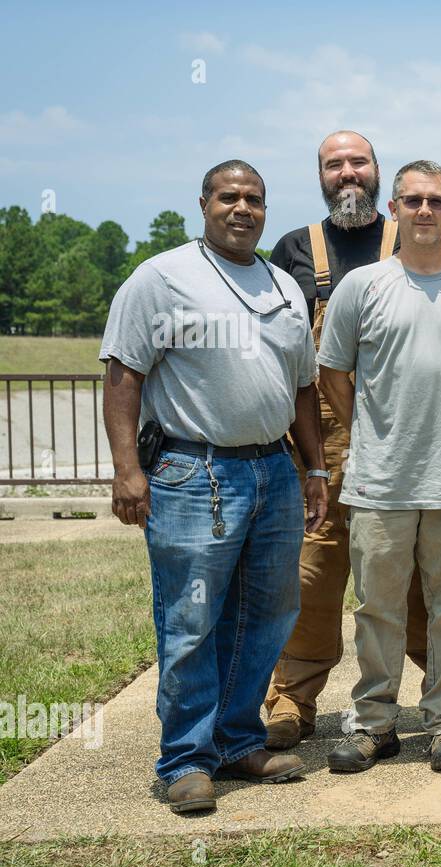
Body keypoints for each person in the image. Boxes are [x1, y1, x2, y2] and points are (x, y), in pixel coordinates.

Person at [101, 159, 327, 814]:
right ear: (203, 203)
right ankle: (186, 759)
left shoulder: (283, 285)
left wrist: (313, 469)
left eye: (254, 199)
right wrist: (126, 469)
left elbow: (304, 388)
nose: (242, 208)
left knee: (267, 614)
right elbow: (124, 375)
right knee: (193, 618)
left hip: (272, 471)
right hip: (191, 472)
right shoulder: (163, 278)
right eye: (229, 196)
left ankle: (237, 742)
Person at [263, 131, 441, 751]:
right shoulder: (295, 250)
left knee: (432, 591)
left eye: (357, 162)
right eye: (333, 165)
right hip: (339, 440)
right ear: (320, 176)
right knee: (319, 577)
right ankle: (295, 698)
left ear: (377, 174)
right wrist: (329, 445)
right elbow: (308, 364)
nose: (347, 173)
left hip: (433, 450)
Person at [319, 160, 441, 773]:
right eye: (412, 201)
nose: (423, 211)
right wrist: (372, 434)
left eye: (435, 201)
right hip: (380, 481)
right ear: (393, 210)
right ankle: (374, 722)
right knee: (377, 606)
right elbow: (333, 373)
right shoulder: (362, 286)